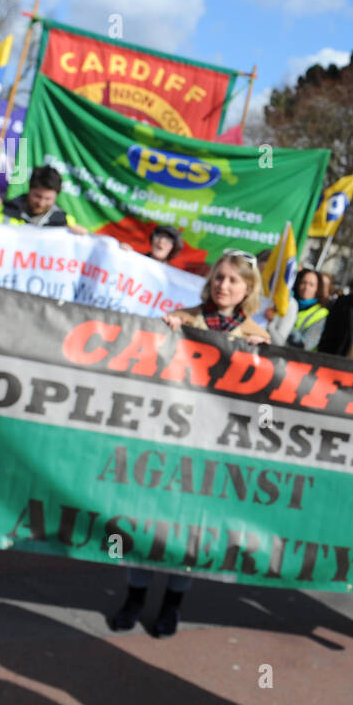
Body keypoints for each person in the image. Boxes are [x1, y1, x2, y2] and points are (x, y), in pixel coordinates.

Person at [107, 250, 270, 637]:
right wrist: (166, 330)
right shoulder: (183, 319)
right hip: (168, 436)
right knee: (148, 518)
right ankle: (134, 596)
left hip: (212, 446)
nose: (223, 285)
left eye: (233, 280)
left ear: (247, 288)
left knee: (188, 529)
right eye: (218, 278)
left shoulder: (258, 337)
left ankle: (171, 606)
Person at [0, 164, 86, 233]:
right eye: (38, 196)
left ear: (57, 196)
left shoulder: (65, 221)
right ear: (30, 188)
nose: (41, 203)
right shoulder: (3, 210)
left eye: (48, 199)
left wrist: (80, 236)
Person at [255, 248, 297, 346]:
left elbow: (279, 343)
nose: (263, 279)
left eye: (268, 274)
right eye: (260, 272)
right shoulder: (246, 294)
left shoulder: (289, 304)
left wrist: (270, 324)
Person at [286, 268, 330, 351]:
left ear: (317, 289)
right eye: (303, 283)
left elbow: (307, 344)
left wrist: (285, 326)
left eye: (311, 285)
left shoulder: (321, 313)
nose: (306, 287)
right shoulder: (287, 303)